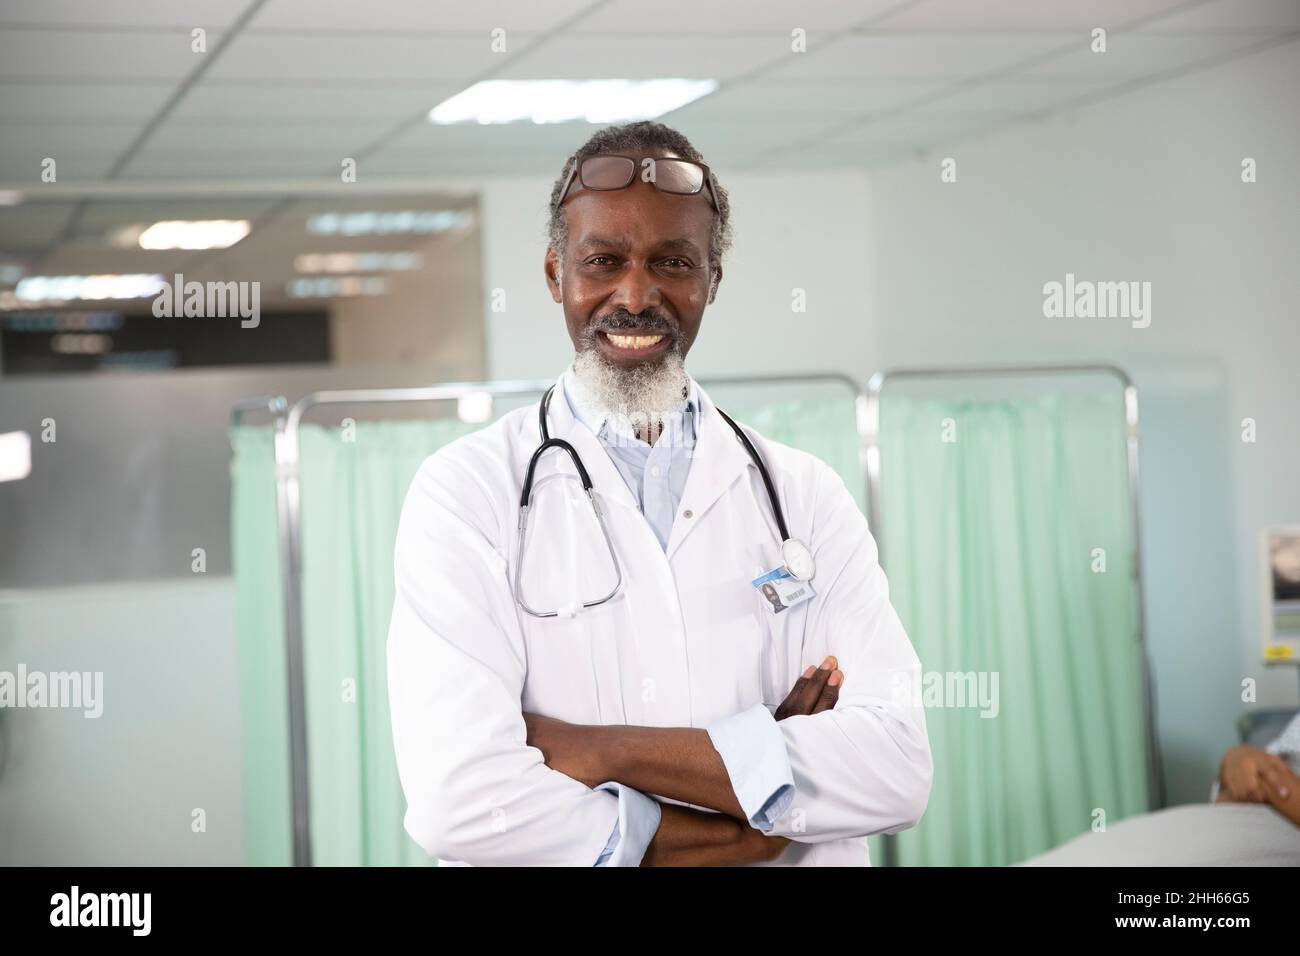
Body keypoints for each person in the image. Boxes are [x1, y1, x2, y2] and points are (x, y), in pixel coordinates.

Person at [385, 121, 932, 866]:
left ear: (710, 279)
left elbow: (896, 767)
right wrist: (751, 826)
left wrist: (598, 749)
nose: (636, 296)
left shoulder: (804, 496)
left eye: (672, 262)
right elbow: (465, 802)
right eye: (602, 260)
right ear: (556, 275)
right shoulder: (468, 494)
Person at [1022, 711, 1300, 866]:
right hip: (1227, 823)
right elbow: (1248, 780)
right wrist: (1236, 760)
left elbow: (1276, 784)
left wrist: (1280, 789)